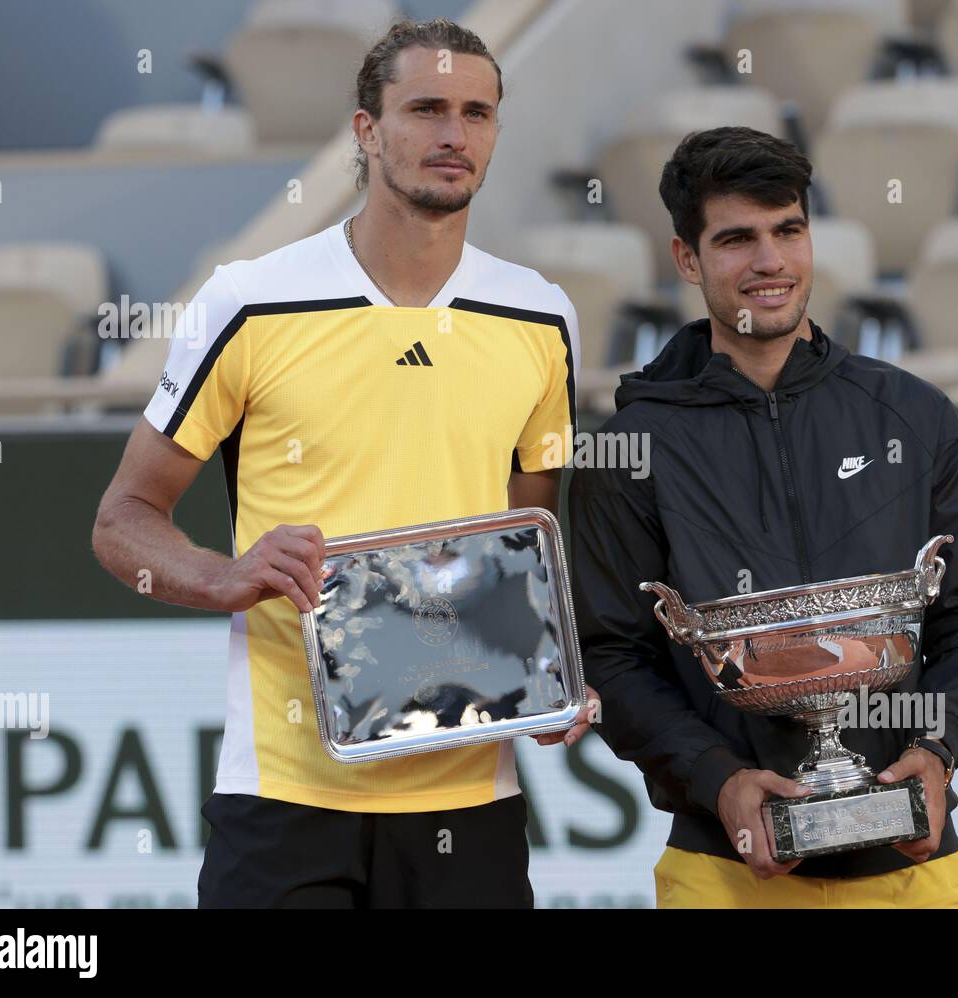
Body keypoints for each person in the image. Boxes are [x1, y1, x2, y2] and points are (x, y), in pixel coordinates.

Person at [92, 18, 594, 909]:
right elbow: (123, 519)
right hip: (284, 795)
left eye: (477, 113)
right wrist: (223, 577)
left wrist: (554, 682)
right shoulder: (247, 301)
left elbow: (529, 541)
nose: (453, 134)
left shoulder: (541, 315)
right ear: (366, 131)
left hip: (470, 800)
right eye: (426, 108)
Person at [567, 126, 958, 908]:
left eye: (788, 231)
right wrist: (722, 781)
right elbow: (611, 655)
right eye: (737, 239)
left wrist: (938, 752)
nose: (769, 261)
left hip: (915, 871)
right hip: (724, 873)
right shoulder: (632, 449)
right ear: (687, 259)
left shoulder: (914, 415)